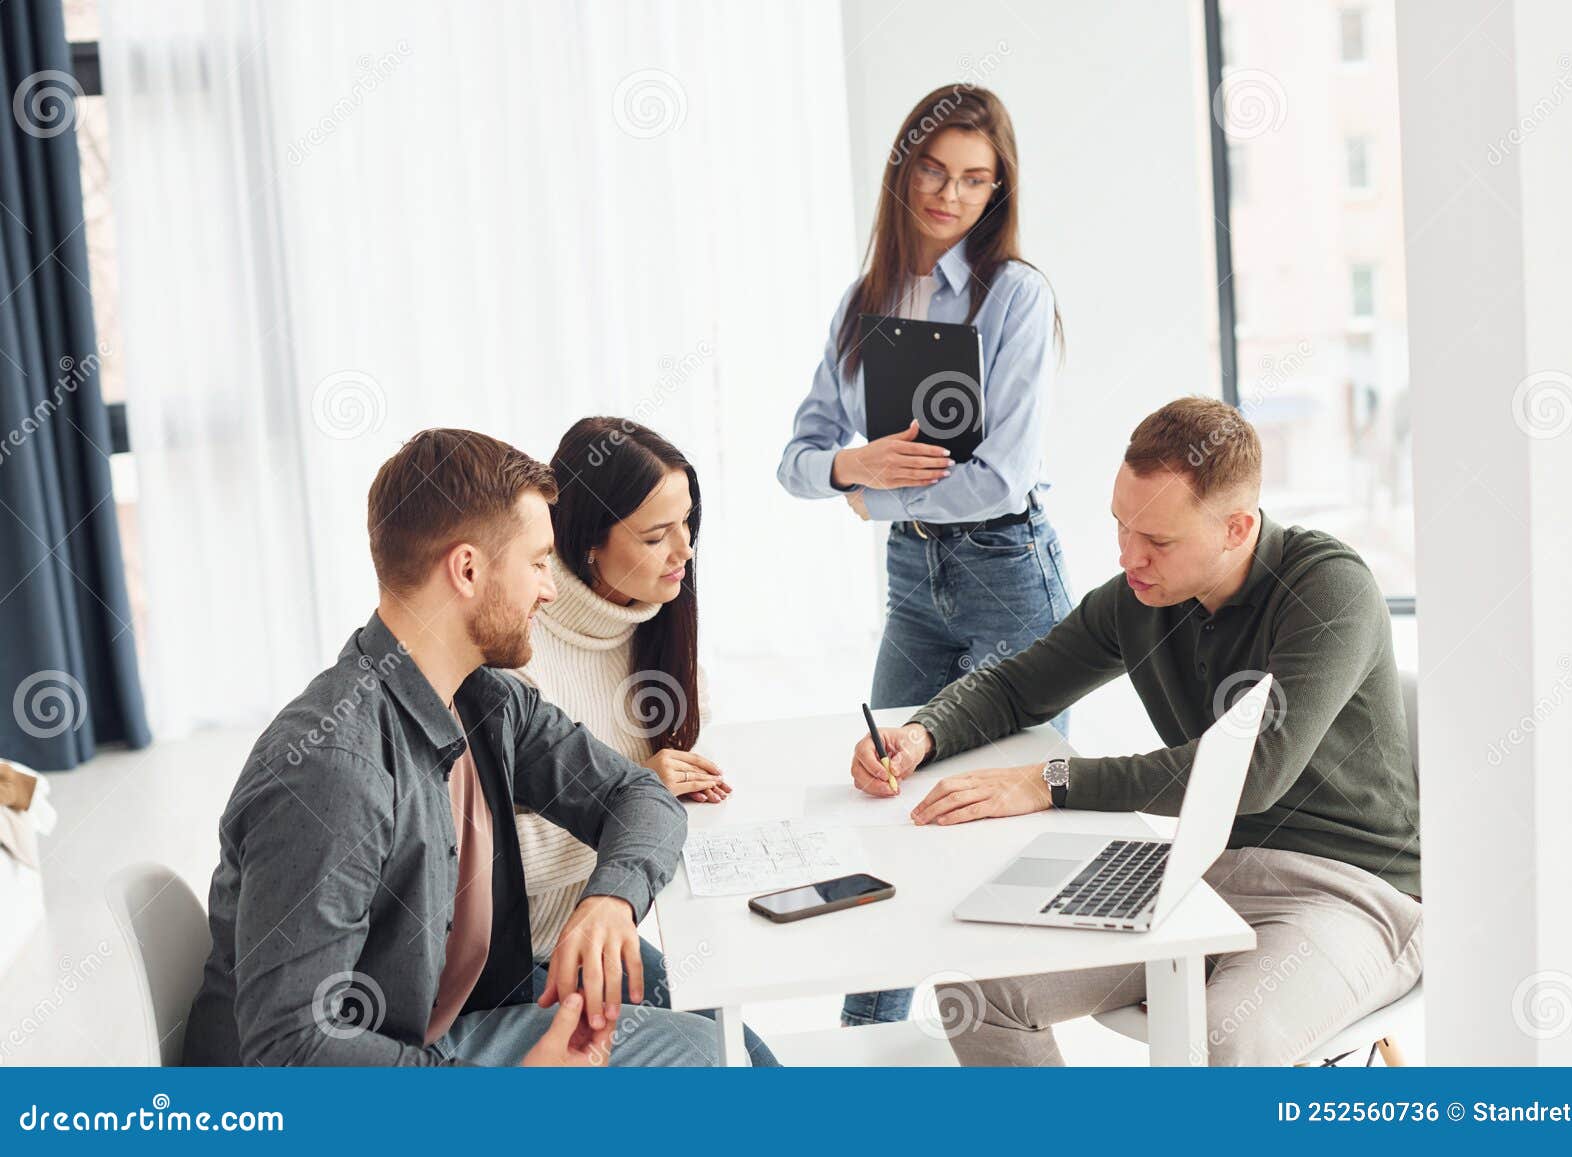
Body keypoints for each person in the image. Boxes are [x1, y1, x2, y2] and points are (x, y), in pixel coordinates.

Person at [847, 398, 1423, 1065]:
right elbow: (1016, 685)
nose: (1129, 557)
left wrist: (1050, 782)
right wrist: (922, 733)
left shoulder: (1329, 588)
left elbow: (1255, 773)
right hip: (1203, 874)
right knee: (977, 990)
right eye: (1122, 527)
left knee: (1222, 1044)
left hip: (1351, 895)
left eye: (1158, 540)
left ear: (1236, 528)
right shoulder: (1142, 597)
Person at [183, 428, 739, 1066]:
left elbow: (637, 793)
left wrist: (609, 897)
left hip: (455, 1014)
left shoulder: (485, 699)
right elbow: (289, 1049)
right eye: (536, 563)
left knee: (719, 1025)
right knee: (705, 1057)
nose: (550, 589)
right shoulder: (335, 769)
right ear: (468, 569)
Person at [776, 82, 1072, 1028]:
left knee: (1010, 816)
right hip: (915, 577)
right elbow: (796, 460)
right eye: (935, 172)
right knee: (884, 795)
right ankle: (869, 1044)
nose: (951, 195)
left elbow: (1002, 474)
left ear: (998, 192)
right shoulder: (863, 304)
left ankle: (1010, 1049)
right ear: (905, 173)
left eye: (976, 180)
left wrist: (869, 495)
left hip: (1005, 572)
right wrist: (848, 466)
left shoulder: (1015, 296)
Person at [513, 416, 776, 1066]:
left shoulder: (651, 625)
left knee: (759, 1062)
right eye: (657, 535)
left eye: (689, 524)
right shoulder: (519, 653)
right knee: (725, 1063)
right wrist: (638, 798)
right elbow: (486, 864)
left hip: (597, 934)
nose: (683, 550)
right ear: (588, 544)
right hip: (522, 961)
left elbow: (677, 756)